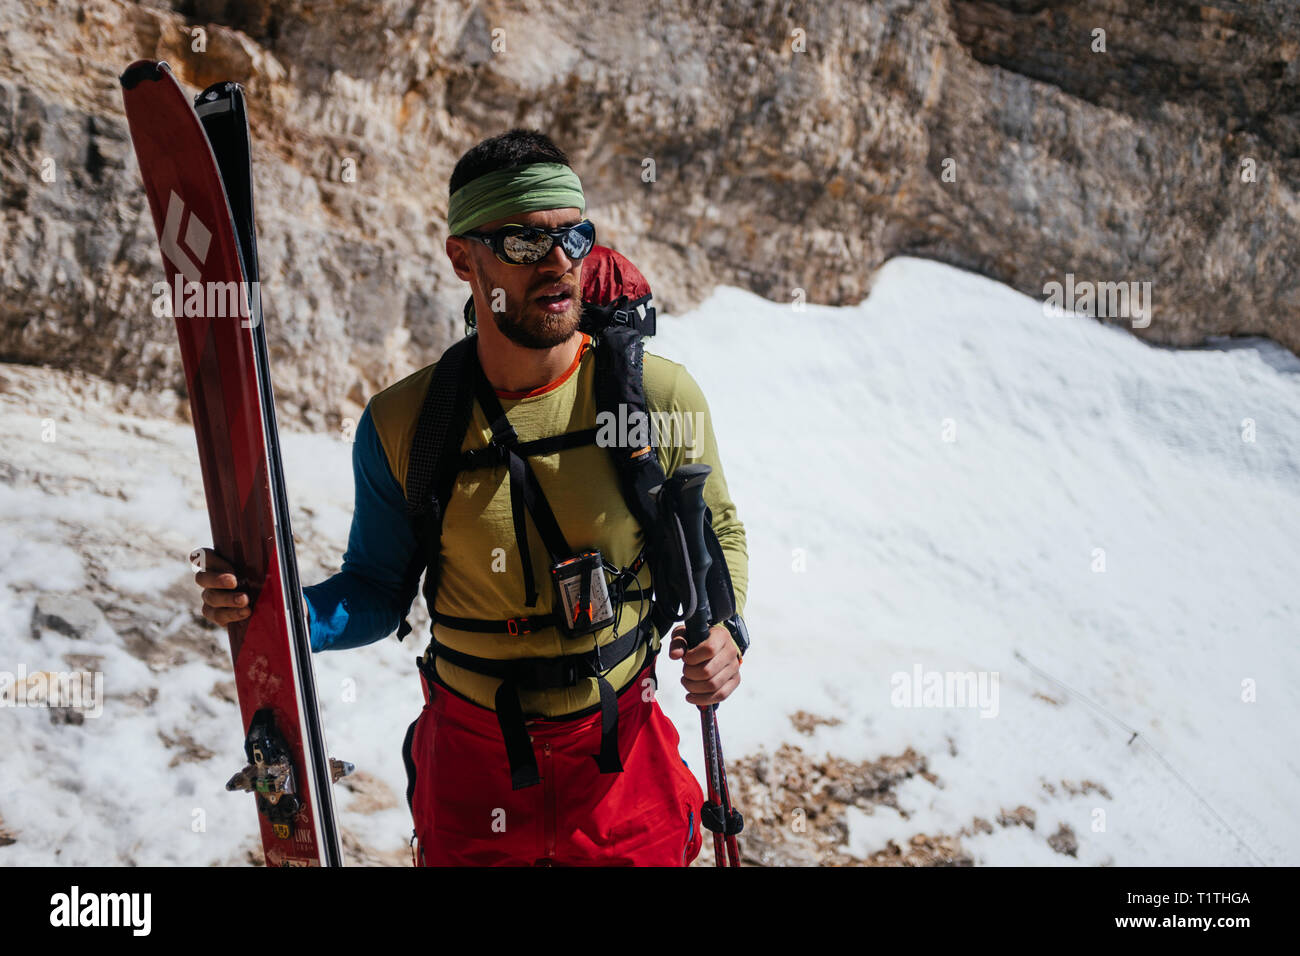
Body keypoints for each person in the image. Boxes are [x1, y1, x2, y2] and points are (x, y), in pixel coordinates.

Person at [193, 128, 749, 866]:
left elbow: (720, 533)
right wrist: (290, 618)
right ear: (463, 257)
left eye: (572, 238)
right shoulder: (405, 423)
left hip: (623, 761)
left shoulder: (654, 395)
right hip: (471, 763)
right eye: (521, 244)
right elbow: (378, 590)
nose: (557, 264)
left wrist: (728, 634)